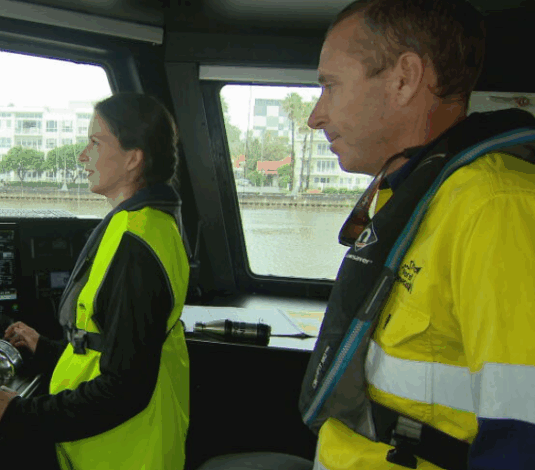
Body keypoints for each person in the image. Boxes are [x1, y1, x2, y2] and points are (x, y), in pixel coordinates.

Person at [200, 1, 535, 469]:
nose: (315, 116)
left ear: (404, 79)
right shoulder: (411, 198)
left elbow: (524, 439)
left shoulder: (497, 209)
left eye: (330, 86)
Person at [0, 92, 191, 470]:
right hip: (124, 444)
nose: (83, 156)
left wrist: (19, 411)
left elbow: (124, 389)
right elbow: (115, 346)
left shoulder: (135, 244)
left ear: (133, 159)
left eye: (95, 143)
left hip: (125, 454)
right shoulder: (149, 223)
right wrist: (47, 348)